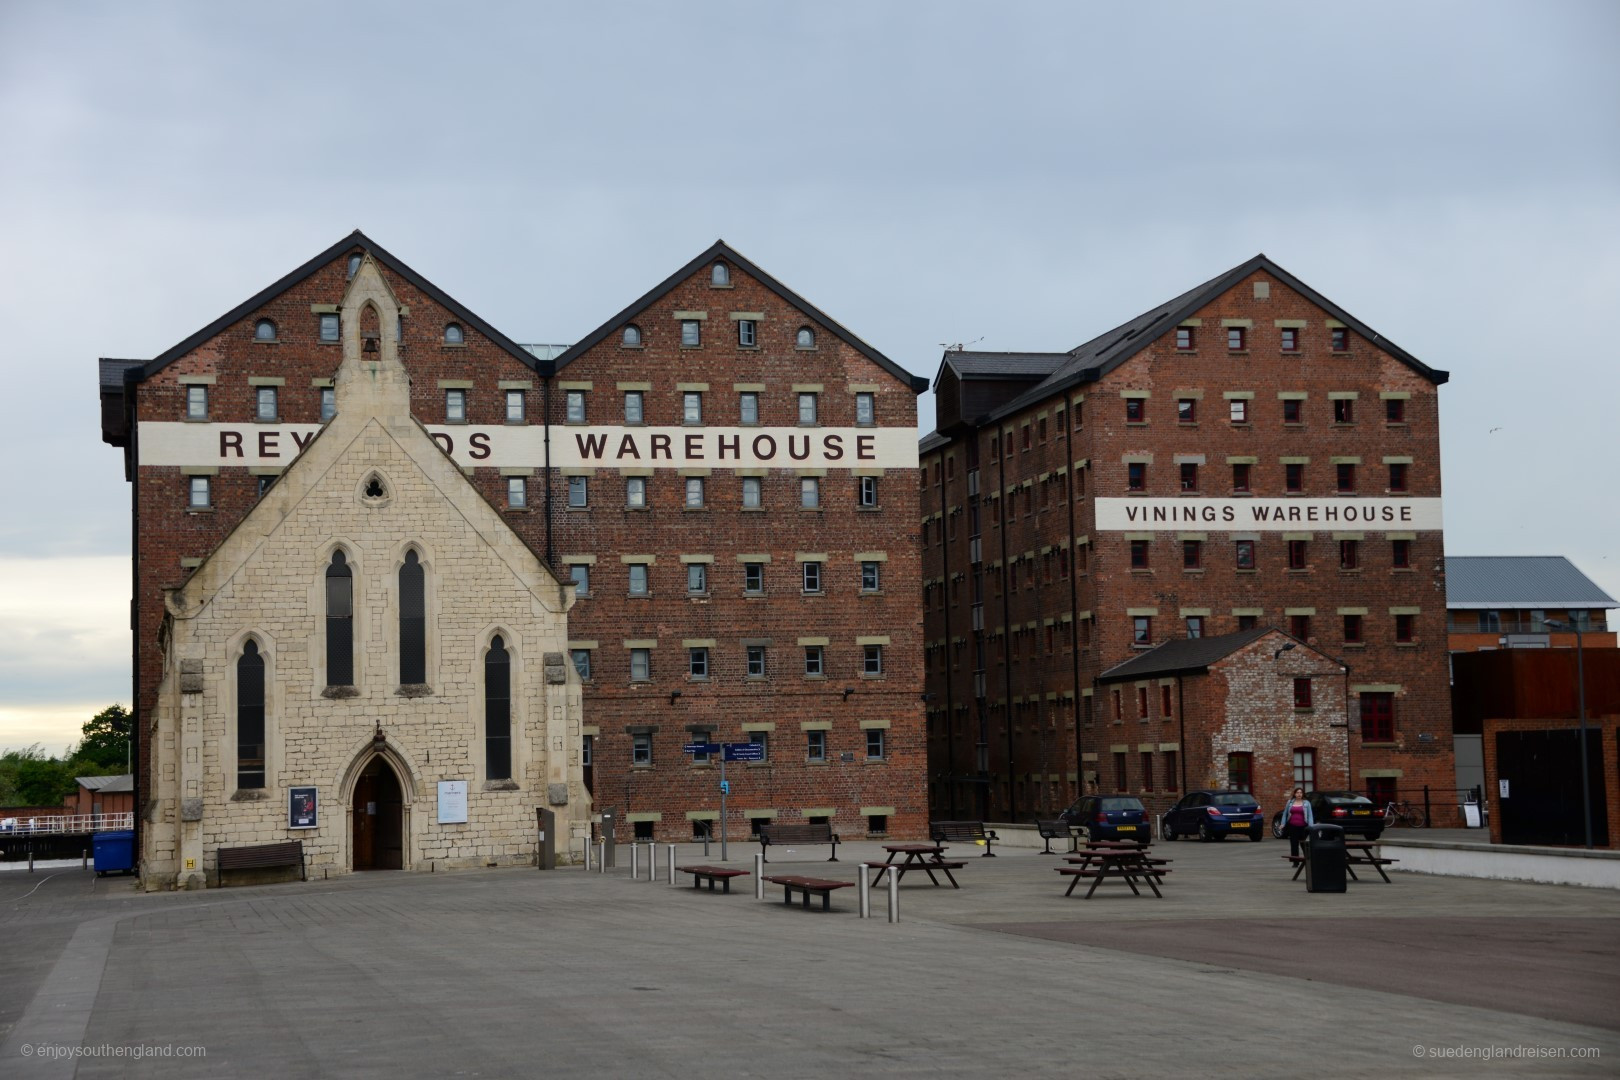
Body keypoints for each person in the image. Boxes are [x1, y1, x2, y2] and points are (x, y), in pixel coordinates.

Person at [1283, 788, 1314, 857]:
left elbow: (1310, 816)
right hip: (1292, 826)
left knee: (1304, 844)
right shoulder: (1290, 802)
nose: (1299, 794)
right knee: (1294, 844)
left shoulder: (1306, 803)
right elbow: (1285, 813)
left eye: (1300, 793)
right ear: (1294, 794)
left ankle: (1308, 860)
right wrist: (1283, 824)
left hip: (1303, 827)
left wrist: (1311, 827)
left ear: (1303, 794)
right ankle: (1295, 861)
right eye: (1297, 792)